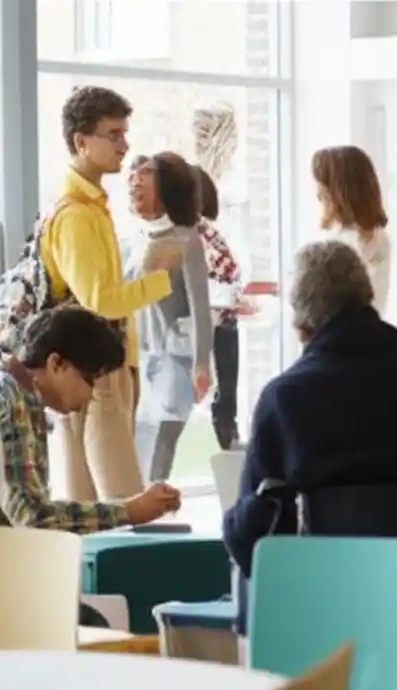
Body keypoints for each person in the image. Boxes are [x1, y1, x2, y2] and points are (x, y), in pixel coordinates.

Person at [222, 240, 397, 674]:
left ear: (301, 324)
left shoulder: (287, 400)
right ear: (367, 297)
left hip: (329, 645)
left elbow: (252, 532)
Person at [0, 307, 182, 549]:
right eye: (90, 378)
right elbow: (35, 521)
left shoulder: (8, 393)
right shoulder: (10, 405)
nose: (92, 394)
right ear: (56, 363)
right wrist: (129, 511)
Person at [41, 85, 178, 502]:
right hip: (96, 372)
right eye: (114, 134)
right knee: (124, 502)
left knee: (84, 502)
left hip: (89, 367)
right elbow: (101, 299)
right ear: (81, 141)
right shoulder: (77, 215)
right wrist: (161, 276)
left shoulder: (90, 207)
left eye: (124, 133)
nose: (125, 144)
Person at [127, 152, 213, 484]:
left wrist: (202, 362)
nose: (135, 181)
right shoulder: (136, 238)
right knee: (138, 446)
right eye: (132, 175)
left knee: (161, 447)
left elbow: (200, 304)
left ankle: (152, 516)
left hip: (175, 358)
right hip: (140, 355)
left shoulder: (185, 239)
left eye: (145, 174)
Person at [193, 166, 244, 450]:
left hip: (217, 324)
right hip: (220, 324)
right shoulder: (205, 233)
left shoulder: (200, 233)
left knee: (222, 403)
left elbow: (222, 275)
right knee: (224, 404)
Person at [312, 145, 391, 317]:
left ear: (335, 191)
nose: (317, 194)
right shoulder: (379, 238)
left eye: (321, 185)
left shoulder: (339, 246)